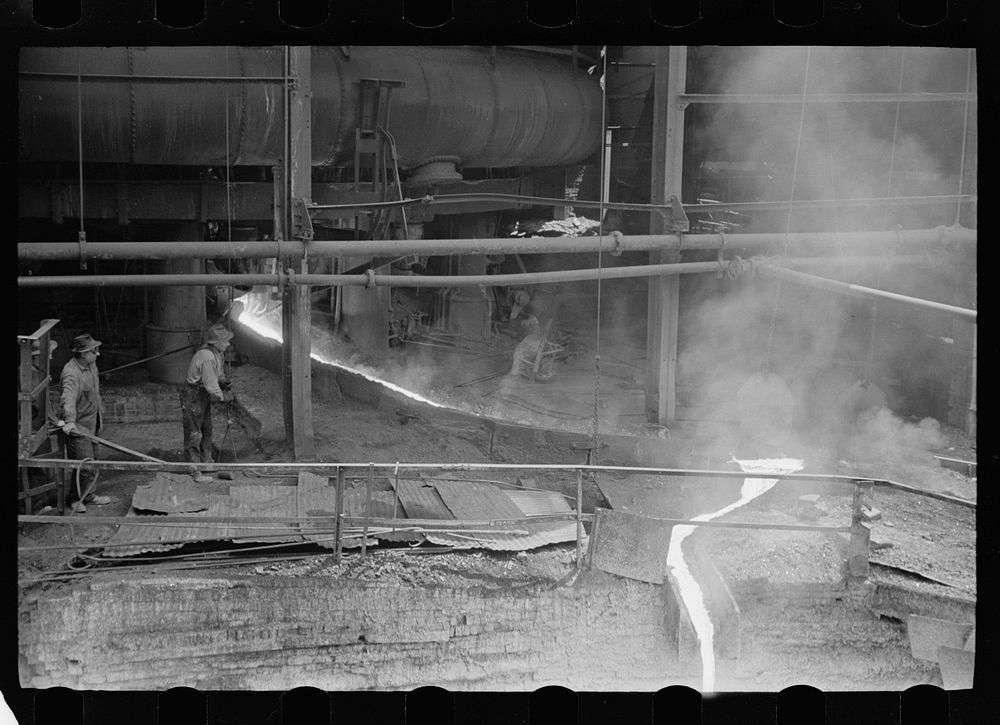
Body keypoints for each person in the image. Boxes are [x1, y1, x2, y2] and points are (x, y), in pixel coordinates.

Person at [59, 333, 111, 513]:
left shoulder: (91, 365)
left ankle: (88, 495)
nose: (97, 354)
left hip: (93, 420)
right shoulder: (71, 373)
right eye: (93, 351)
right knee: (84, 464)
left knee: (93, 461)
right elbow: (68, 399)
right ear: (82, 354)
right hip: (79, 425)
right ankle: (74, 499)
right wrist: (70, 421)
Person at [180, 324, 233, 479]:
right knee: (194, 432)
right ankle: (194, 469)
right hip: (193, 395)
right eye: (226, 341)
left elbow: (218, 375)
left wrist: (224, 382)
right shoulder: (207, 357)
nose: (228, 344)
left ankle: (206, 461)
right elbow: (210, 384)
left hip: (202, 395)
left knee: (207, 428)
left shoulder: (218, 353)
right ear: (215, 342)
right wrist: (222, 397)